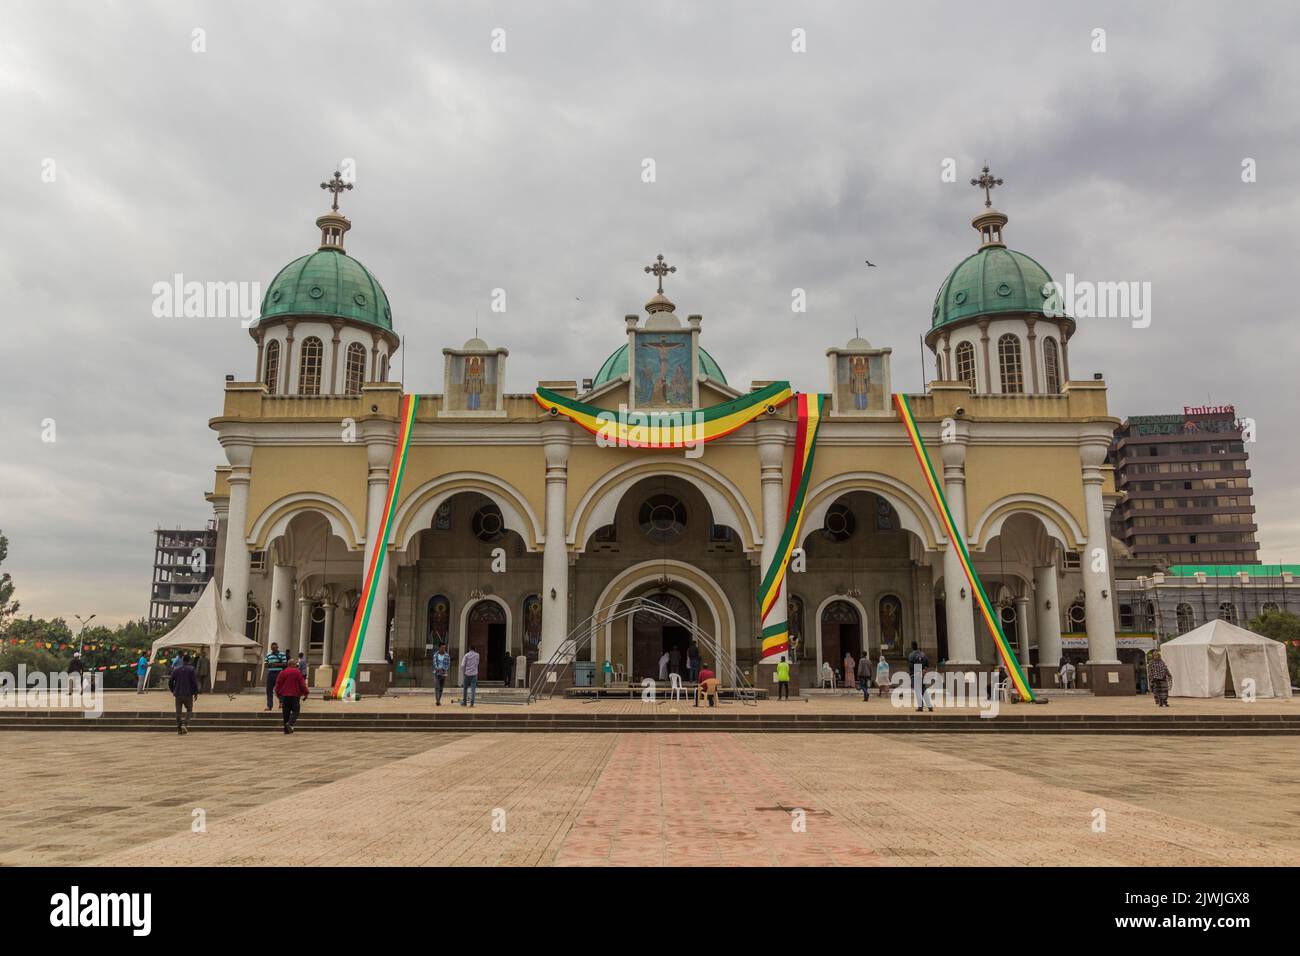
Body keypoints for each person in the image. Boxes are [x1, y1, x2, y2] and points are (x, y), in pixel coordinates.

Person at [168, 652, 200, 736]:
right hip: (188, 693)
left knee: (178, 712)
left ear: (182, 660)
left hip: (178, 693)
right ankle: (184, 724)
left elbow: (170, 681)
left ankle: (179, 728)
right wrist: (196, 692)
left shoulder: (176, 669)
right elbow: (194, 682)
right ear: (189, 660)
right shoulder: (191, 669)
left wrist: (173, 690)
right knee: (189, 709)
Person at [274, 659, 309, 734]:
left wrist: (278, 694)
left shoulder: (283, 672)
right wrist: (306, 693)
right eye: (295, 664)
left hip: (285, 695)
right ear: (292, 664)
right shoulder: (297, 672)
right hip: (295, 695)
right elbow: (302, 684)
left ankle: (286, 730)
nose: (296, 666)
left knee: (286, 712)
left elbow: (278, 684)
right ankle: (290, 723)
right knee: (296, 710)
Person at [907, 641, 932, 712]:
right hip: (922, 674)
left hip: (915, 674)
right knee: (924, 690)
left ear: (912, 646)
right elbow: (927, 663)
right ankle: (930, 706)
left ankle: (920, 706)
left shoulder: (911, 655)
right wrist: (924, 670)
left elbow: (911, 666)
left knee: (917, 690)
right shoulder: (923, 654)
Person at [264, 643, 287, 711]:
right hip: (270, 673)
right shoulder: (268, 655)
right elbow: (265, 664)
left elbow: (285, 664)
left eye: (275, 648)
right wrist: (269, 665)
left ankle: (281, 702)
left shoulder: (282, 654)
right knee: (269, 690)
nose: (274, 649)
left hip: (279, 673)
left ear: (277, 648)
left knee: (279, 689)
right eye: (273, 648)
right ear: (271, 648)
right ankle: (269, 706)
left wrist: (276, 664)